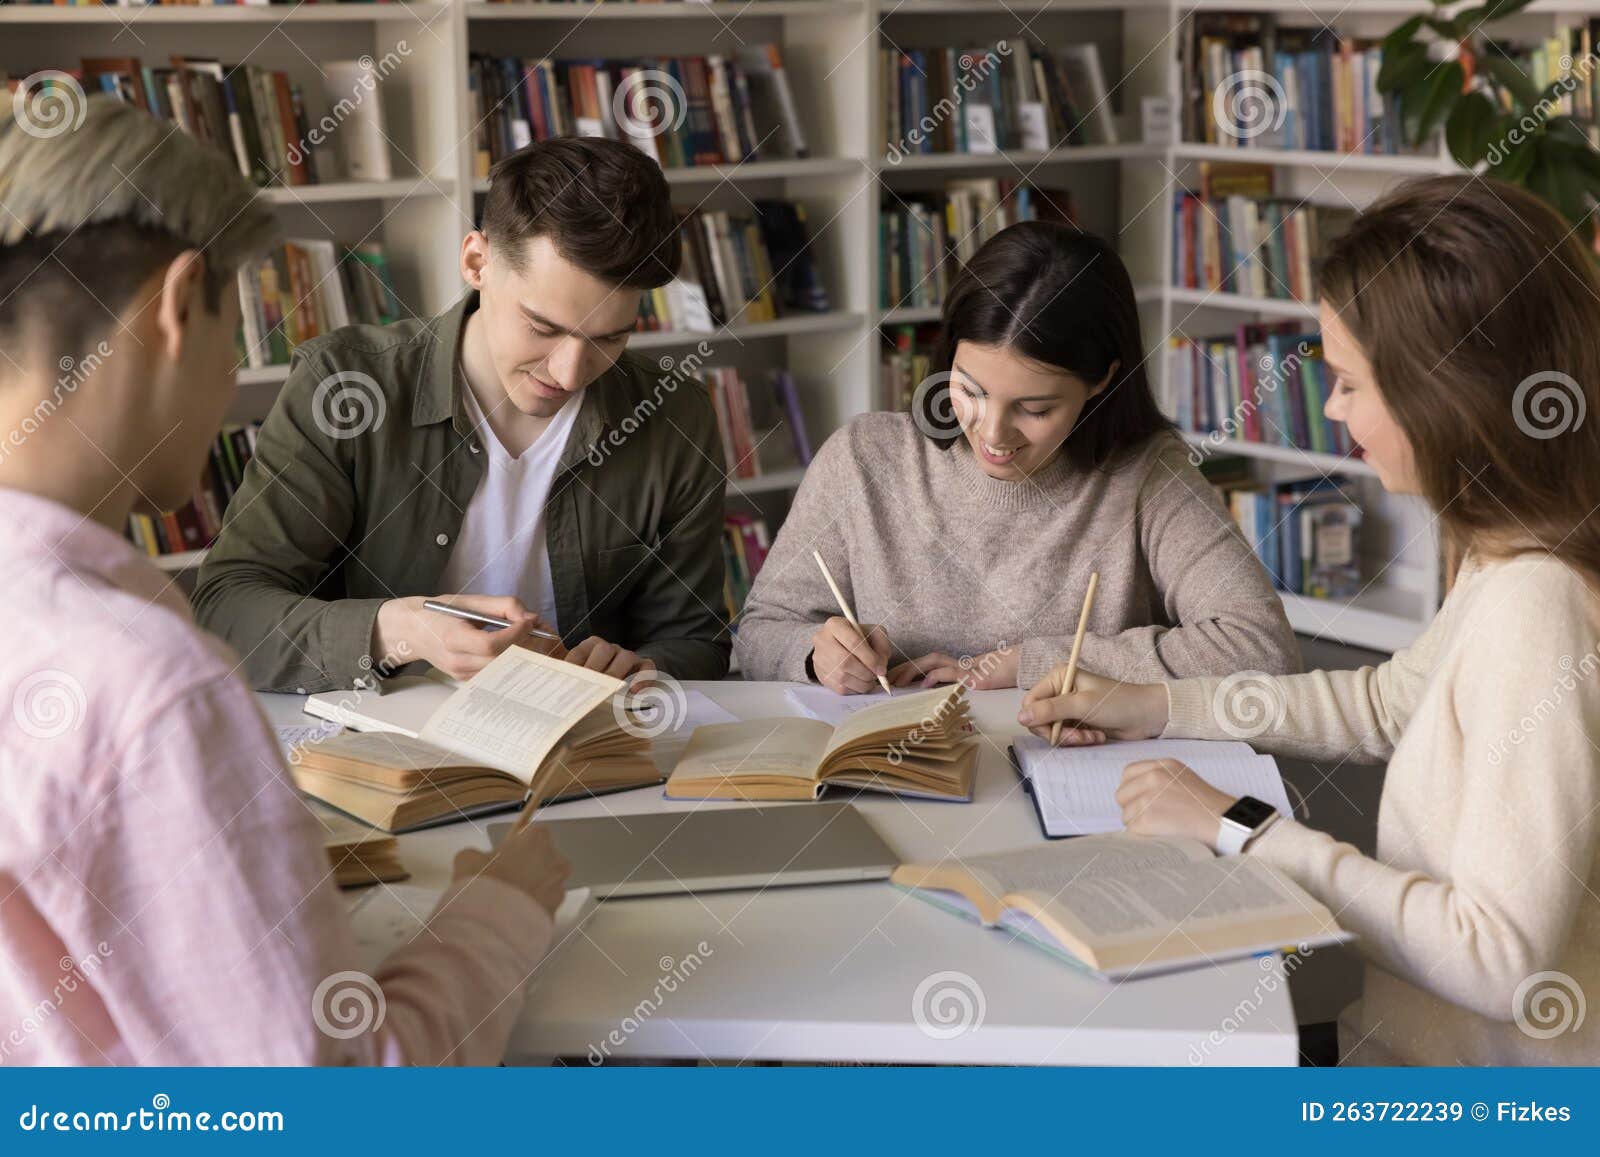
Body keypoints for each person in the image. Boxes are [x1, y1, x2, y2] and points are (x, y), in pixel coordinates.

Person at [0, 97, 571, 1064]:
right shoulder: (148, 683)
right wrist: (503, 912)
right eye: (236, 327)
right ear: (182, 305)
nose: (232, 382)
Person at [1018, 175, 1600, 1066]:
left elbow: (1496, 959)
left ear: (1447, 392)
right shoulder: (1504, 548)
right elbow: (1386, 703)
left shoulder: (1538, 604)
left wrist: (1236, 824)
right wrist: (1151, 705)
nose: (1331, 410)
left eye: (1348, 383)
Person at [192, 135, 730, 693]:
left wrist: (644, 669)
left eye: (609, 338)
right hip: (373, 757)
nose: (570, 373)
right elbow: (226, 612)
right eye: (543, 328)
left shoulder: (673, 417)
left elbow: (694, 640)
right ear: (477, 261)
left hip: (582, 765)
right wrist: (398, 631)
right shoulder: (343, 386)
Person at [734, 222, 1300, 694]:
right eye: (970, 390)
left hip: (1067, 791)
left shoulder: (1146, 475)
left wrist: (1028, 665)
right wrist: (814, 656)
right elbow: (761, 631)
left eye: (1034, 407)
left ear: (1102, 378)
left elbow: (1262, 650)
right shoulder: (865, 457)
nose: (993, 433)